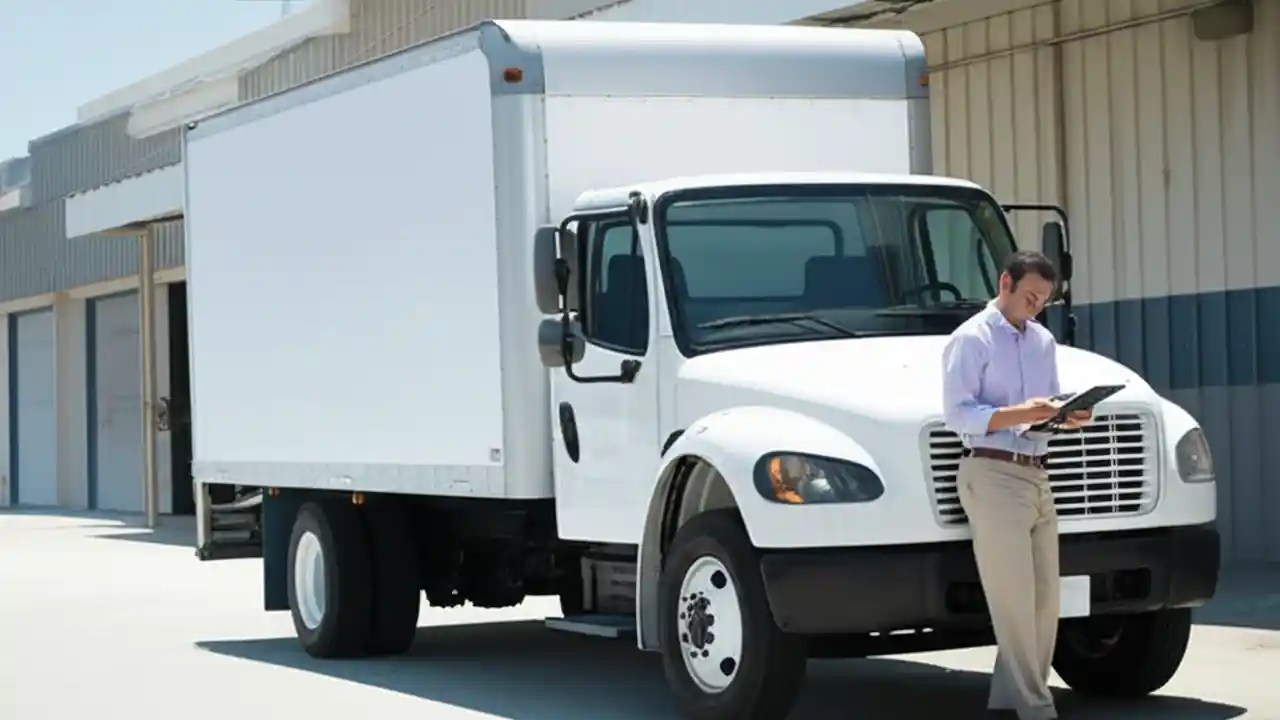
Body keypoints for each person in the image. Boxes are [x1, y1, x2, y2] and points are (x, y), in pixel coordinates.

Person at [940, 250, 1090, 720]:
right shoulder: (971, 339)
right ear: (1005, 283)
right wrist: (1030, 411)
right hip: (991, 473)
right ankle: (1036, 709)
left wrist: (1068, 417)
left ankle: (1007, 703)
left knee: (1045, 603)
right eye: (1030, 297)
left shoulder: (1042, 341)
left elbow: (1045, 411)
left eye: (1044, 301)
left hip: (1036, 473)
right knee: (1012, 603)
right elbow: (959, 414)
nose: (1036, 307)